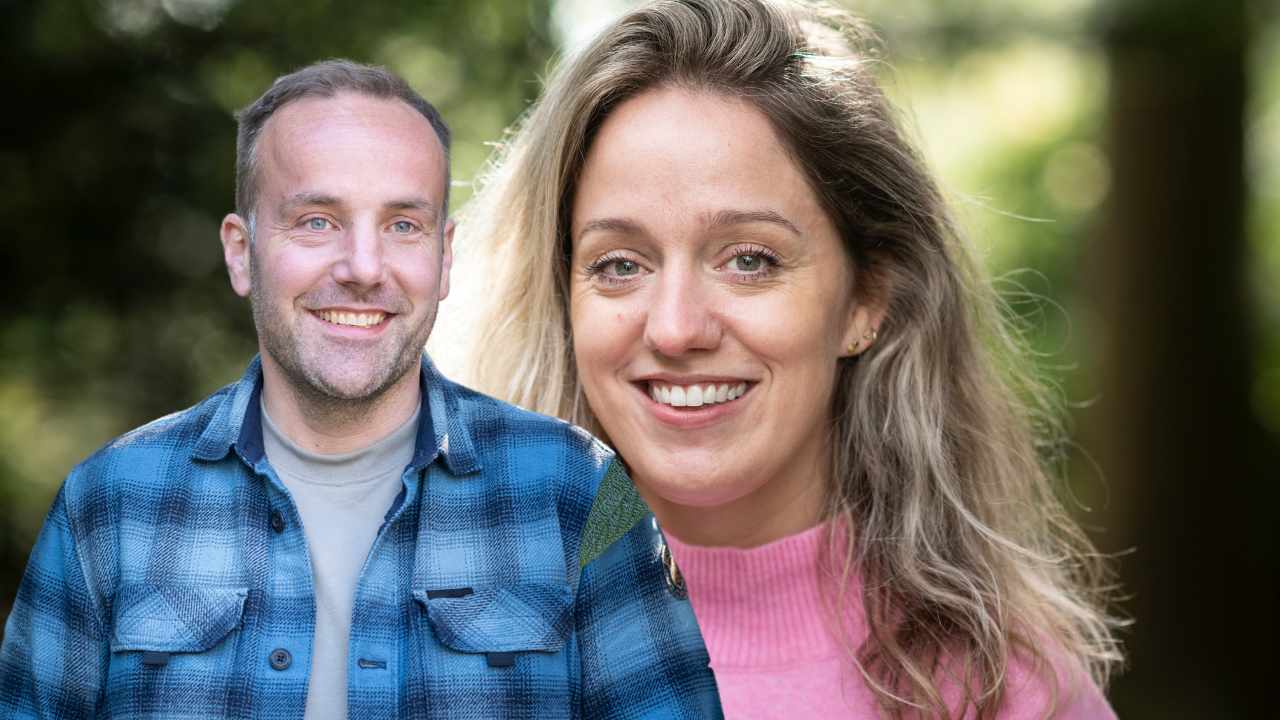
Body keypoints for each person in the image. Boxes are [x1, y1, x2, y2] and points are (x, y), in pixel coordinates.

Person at [0, 60, 722, 720]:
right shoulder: (108, 505)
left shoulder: (578, 489)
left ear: (443, 258)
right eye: (318, 221)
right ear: (241, 251)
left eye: (403, 225)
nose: (364, 267)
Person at [459, 0, 1124, 717]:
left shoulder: (1006, 691)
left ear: (867, 297)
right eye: (620, 264)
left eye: (749, 258)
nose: (677, 328)